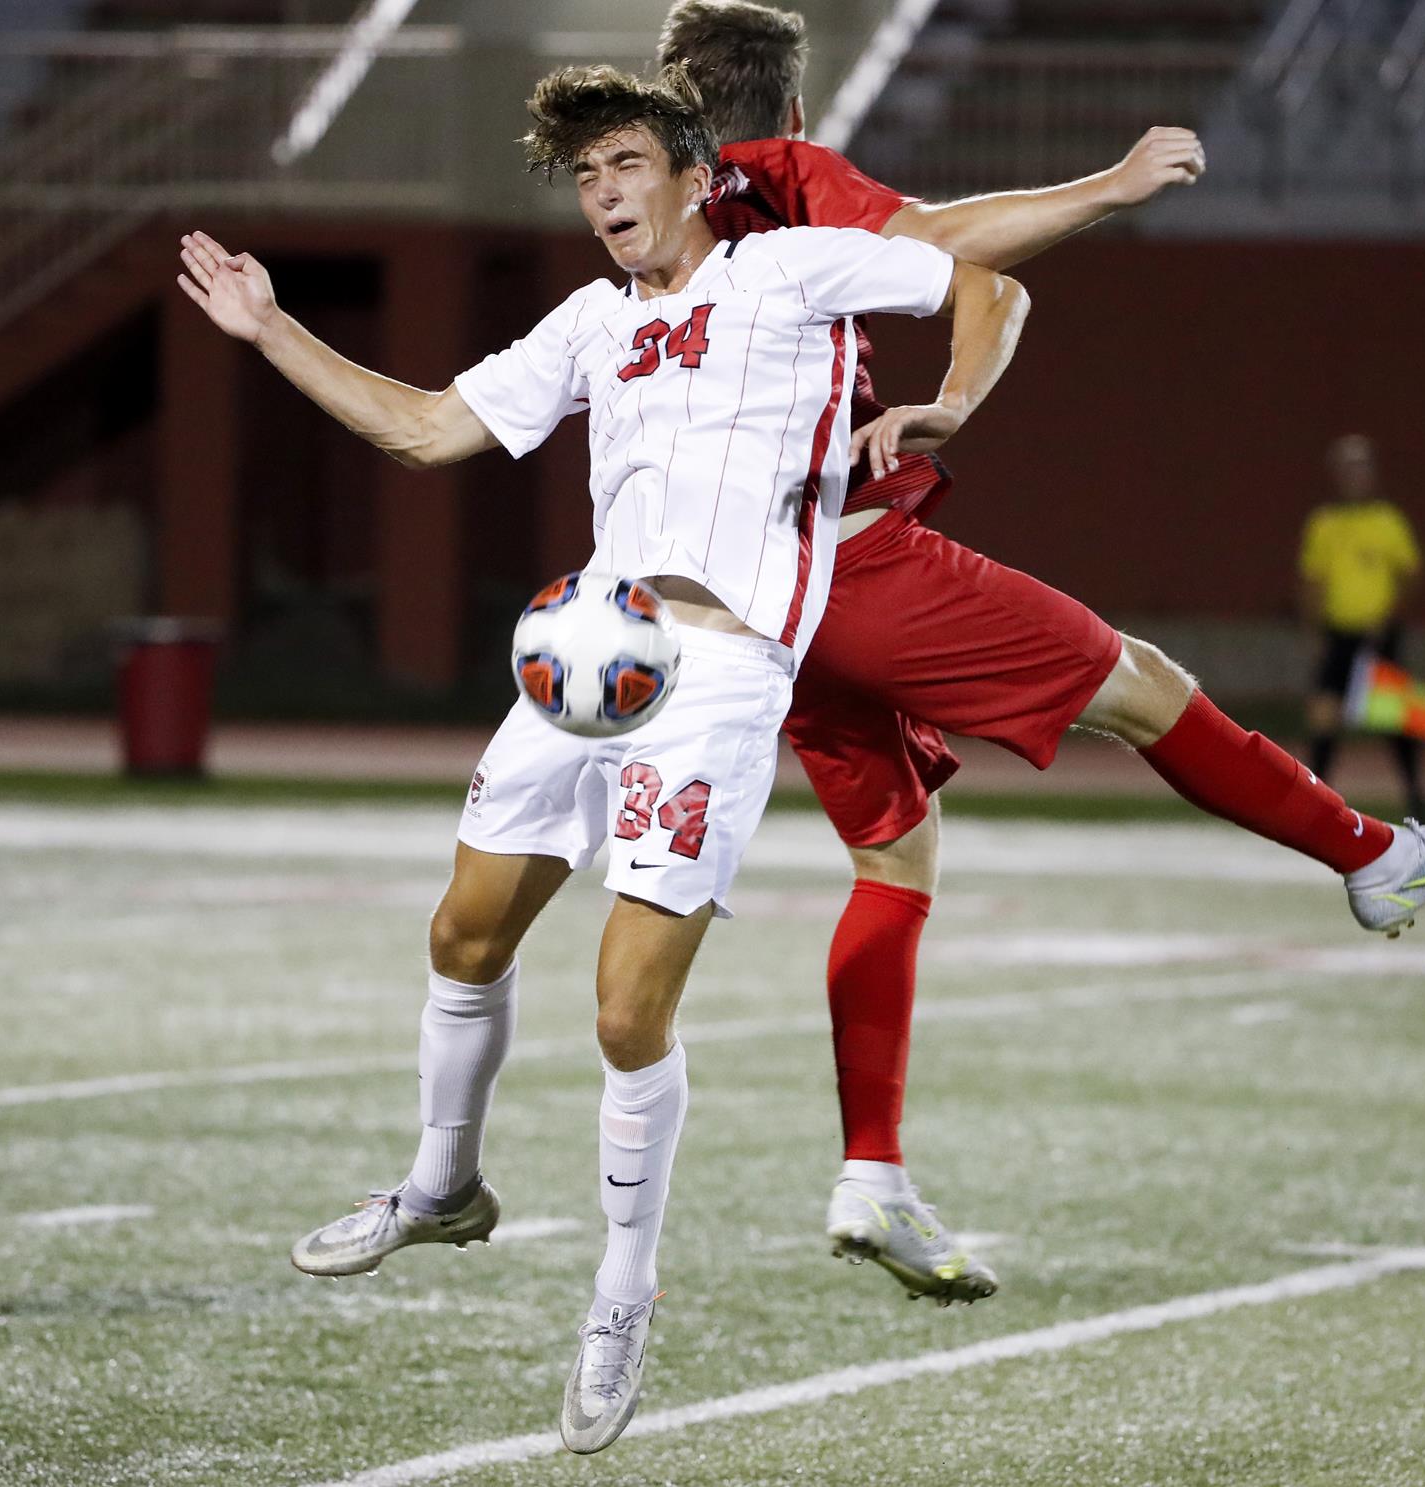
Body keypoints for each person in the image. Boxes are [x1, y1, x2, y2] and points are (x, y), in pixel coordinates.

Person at [176, 64, 1028, 1454]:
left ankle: (624, 1289)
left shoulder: (791, 270)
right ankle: (441, 1184)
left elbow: (991, 282)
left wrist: (950, 404)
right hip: (590, 660)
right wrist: (270, 330)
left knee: (627, 1012)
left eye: (627, 164)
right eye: (584, 177)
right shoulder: (587, 323)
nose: (604, 195)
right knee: (461, 930)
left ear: (697, 175)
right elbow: (425, 427)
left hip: (723, 678)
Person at [659, 0, 1425, 1305]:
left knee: (891, 853)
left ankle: (873, 1173)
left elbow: (982, 293)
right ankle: (1376, 857)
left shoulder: (654, 226)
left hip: (737, 596)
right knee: (1143, 686)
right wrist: (1114, 187)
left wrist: (949, 390)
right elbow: (956, 248)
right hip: (845, 559)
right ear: (791, 110)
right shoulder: (780, 175)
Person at [1298, 434, 1425, 819]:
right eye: (1347, 468)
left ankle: (1416, 797)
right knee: (1324, 715)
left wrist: (1390, 617)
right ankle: (1314, 797)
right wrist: (1315, 633)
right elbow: (1311, 581)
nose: (1355, 475)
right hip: (1337, 634)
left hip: (1379, 634)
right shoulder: (1324, 523)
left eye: (1361, 467)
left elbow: (1411, 574)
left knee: (1394, 717)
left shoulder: (1388, 521)